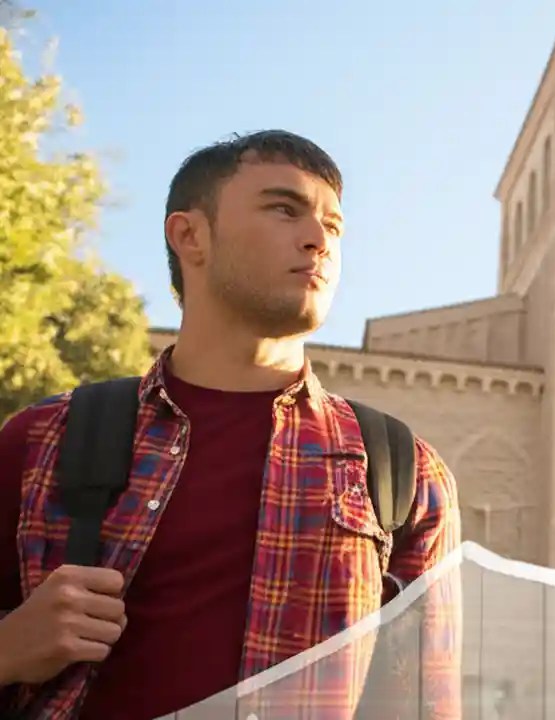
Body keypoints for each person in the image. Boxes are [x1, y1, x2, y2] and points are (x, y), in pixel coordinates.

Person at [0, 130, 462, 718]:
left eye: (335, 226)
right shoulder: (44, 439)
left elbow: (424, 707)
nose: (319, 239)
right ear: (190, 235)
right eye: (283, 209)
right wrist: (9, 649)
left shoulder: (401, 472)